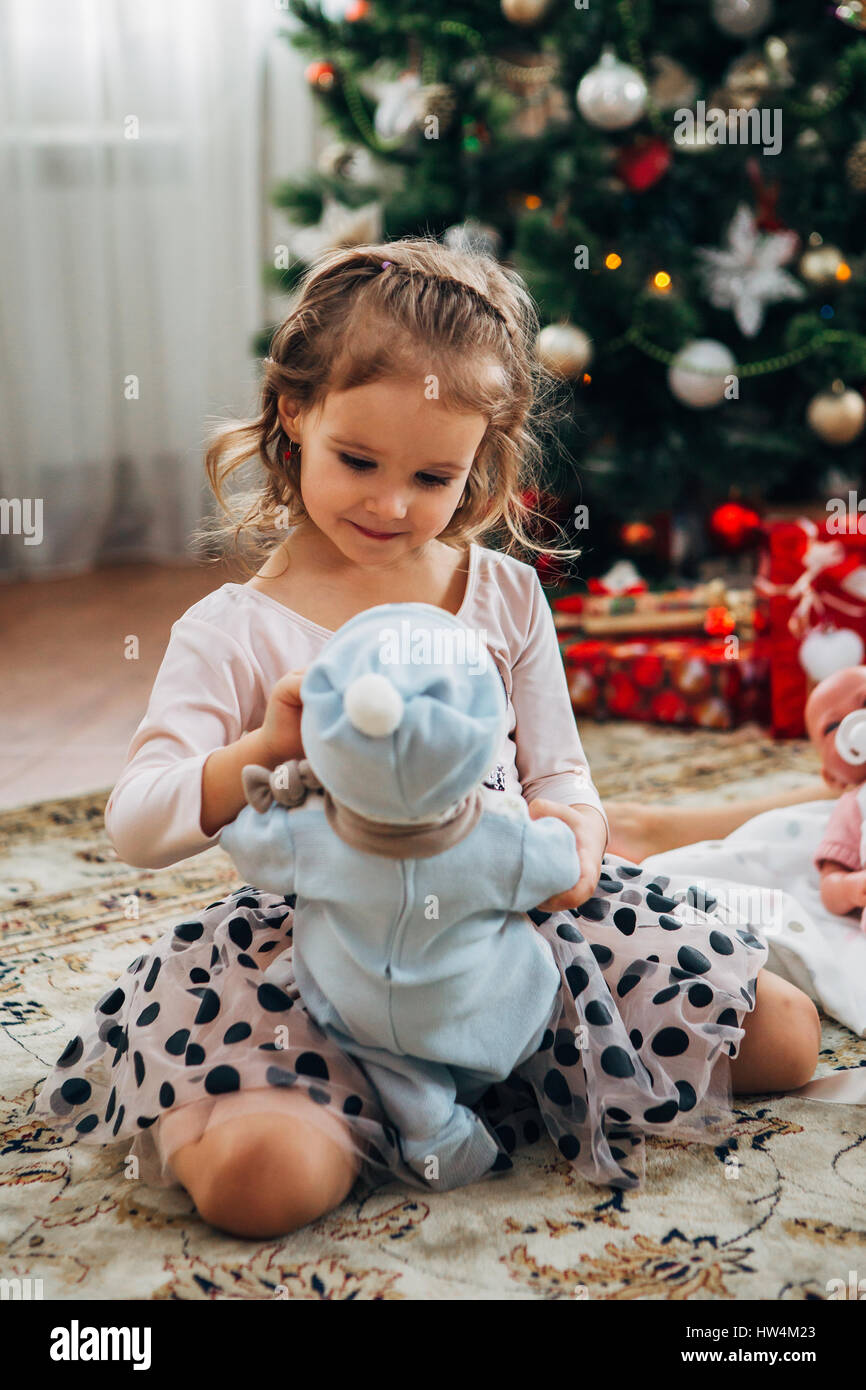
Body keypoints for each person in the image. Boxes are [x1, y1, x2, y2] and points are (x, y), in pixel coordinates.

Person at [28, 236, 820, 1240]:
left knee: (783, 1039)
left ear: (480, 462)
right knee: (259, 1187)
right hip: (321, 958)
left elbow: (561, 775)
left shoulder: (504, 594)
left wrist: (575, 843)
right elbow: (137, 824)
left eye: (434, 475)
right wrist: (260, 750)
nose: (391, 505)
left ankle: (491, 1072)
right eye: (357, 461)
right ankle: (371, 1099)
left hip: (505, 921)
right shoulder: (230, 630)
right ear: (294, 413)